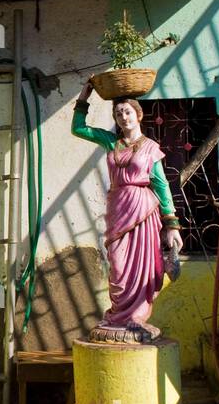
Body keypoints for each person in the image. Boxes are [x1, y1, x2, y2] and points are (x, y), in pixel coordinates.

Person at [73, 80, 183, 342]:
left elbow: (161, 185)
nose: (123, 117)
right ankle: (119, 315)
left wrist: (172, 224)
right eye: (118, 113)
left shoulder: (150, 148)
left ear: (138, 115)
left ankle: (135, 319)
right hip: (118, 208)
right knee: (119, 267)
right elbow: (78, 128)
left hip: (143, 211)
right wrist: (84, 96)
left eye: (128, 112)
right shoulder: (111, 141)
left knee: (143, 267)